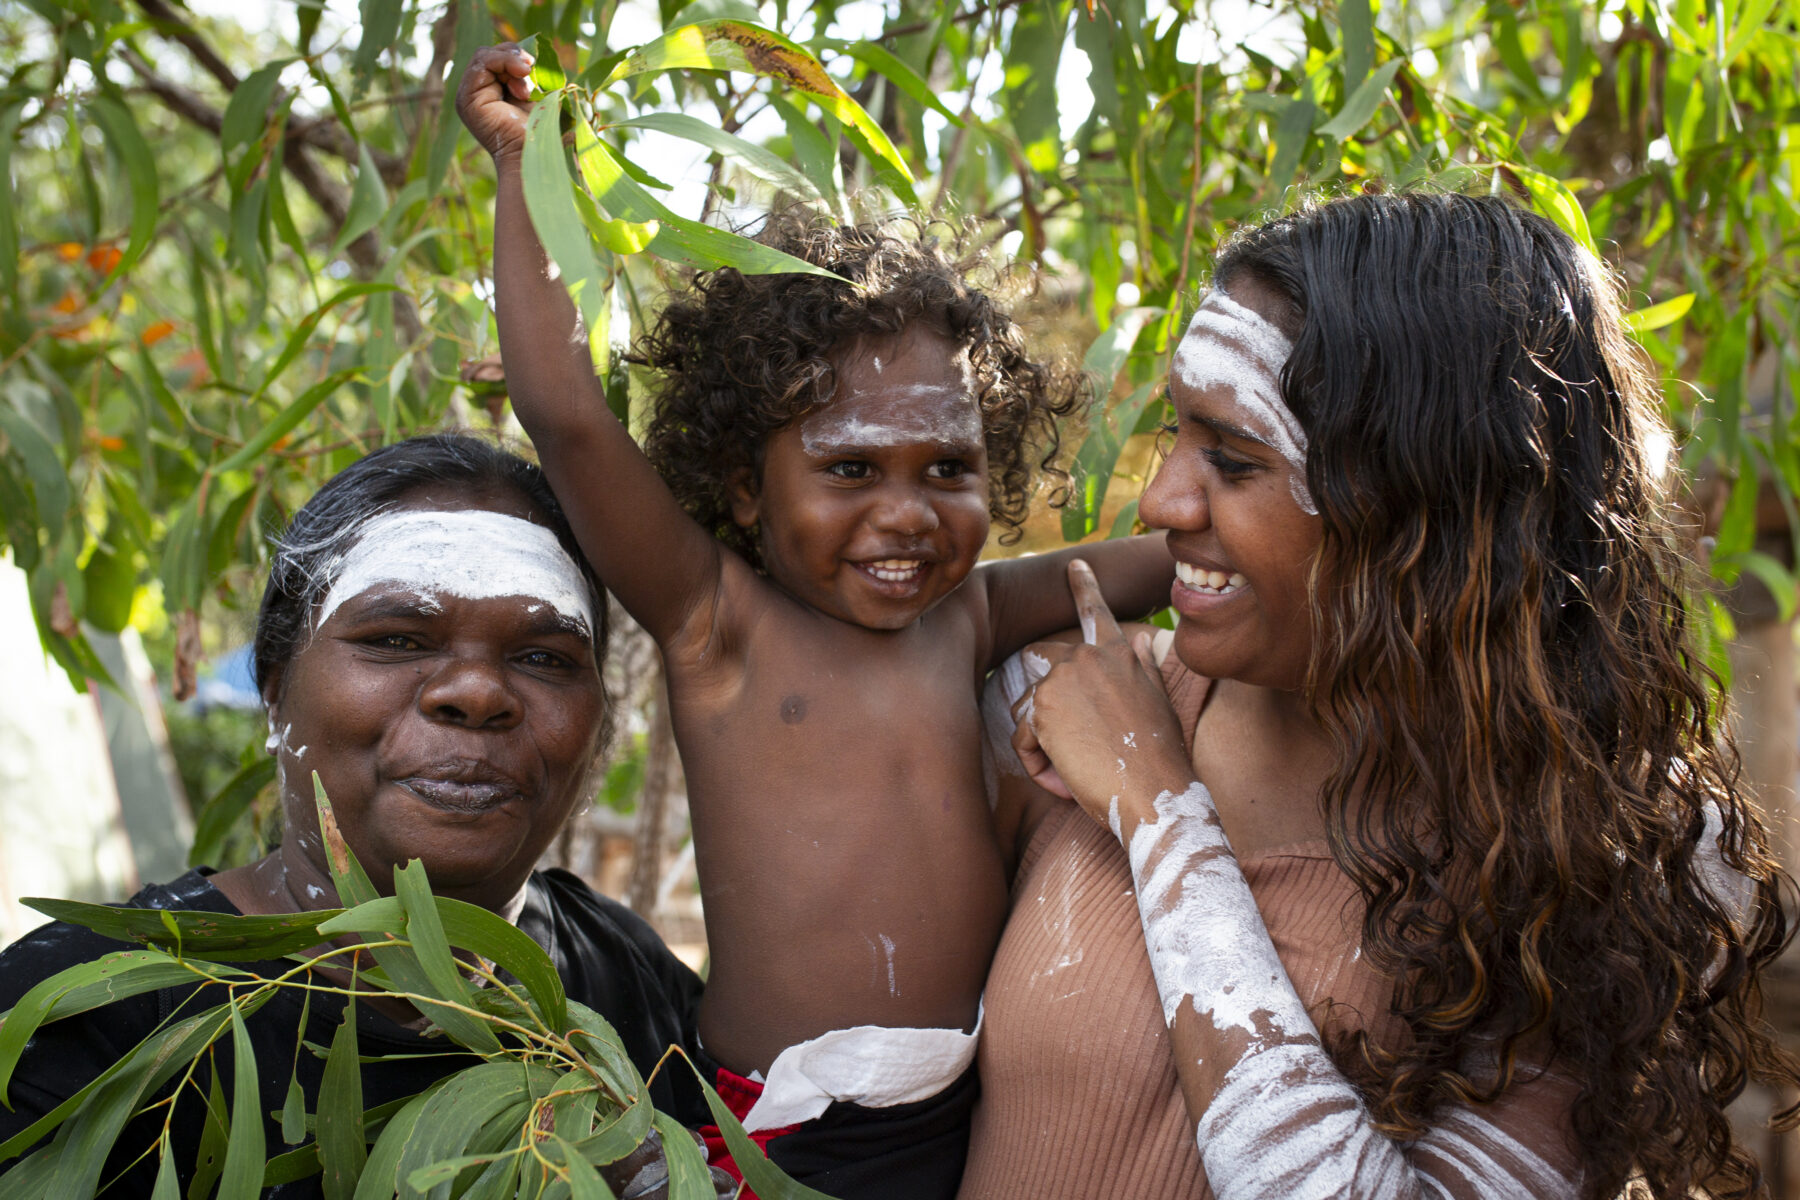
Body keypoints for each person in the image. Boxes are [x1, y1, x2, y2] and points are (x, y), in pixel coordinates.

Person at [964, 192, 1800, 1199]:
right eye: (1175, 437)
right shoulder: (1071, 709)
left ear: (1426, 514)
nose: (1163, 499)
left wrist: (1159, 810)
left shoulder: (1613, 855)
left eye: (1233, 459)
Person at [456, 45, 1176, 1199]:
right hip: (779, 1132)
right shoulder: (716, 625)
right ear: (746, 487)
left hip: (954, 1113)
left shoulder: (970, 613)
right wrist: (519, 162)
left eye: (946, 466)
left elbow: (1160, 563)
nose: (905, 515)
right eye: (850, 470)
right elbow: (567, 415)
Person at [0, 435, 730, 1199]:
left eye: (544, 657)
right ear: (276, 686)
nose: (477, 692)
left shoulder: (622, 974)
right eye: (395, 641)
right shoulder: (80, 1023)